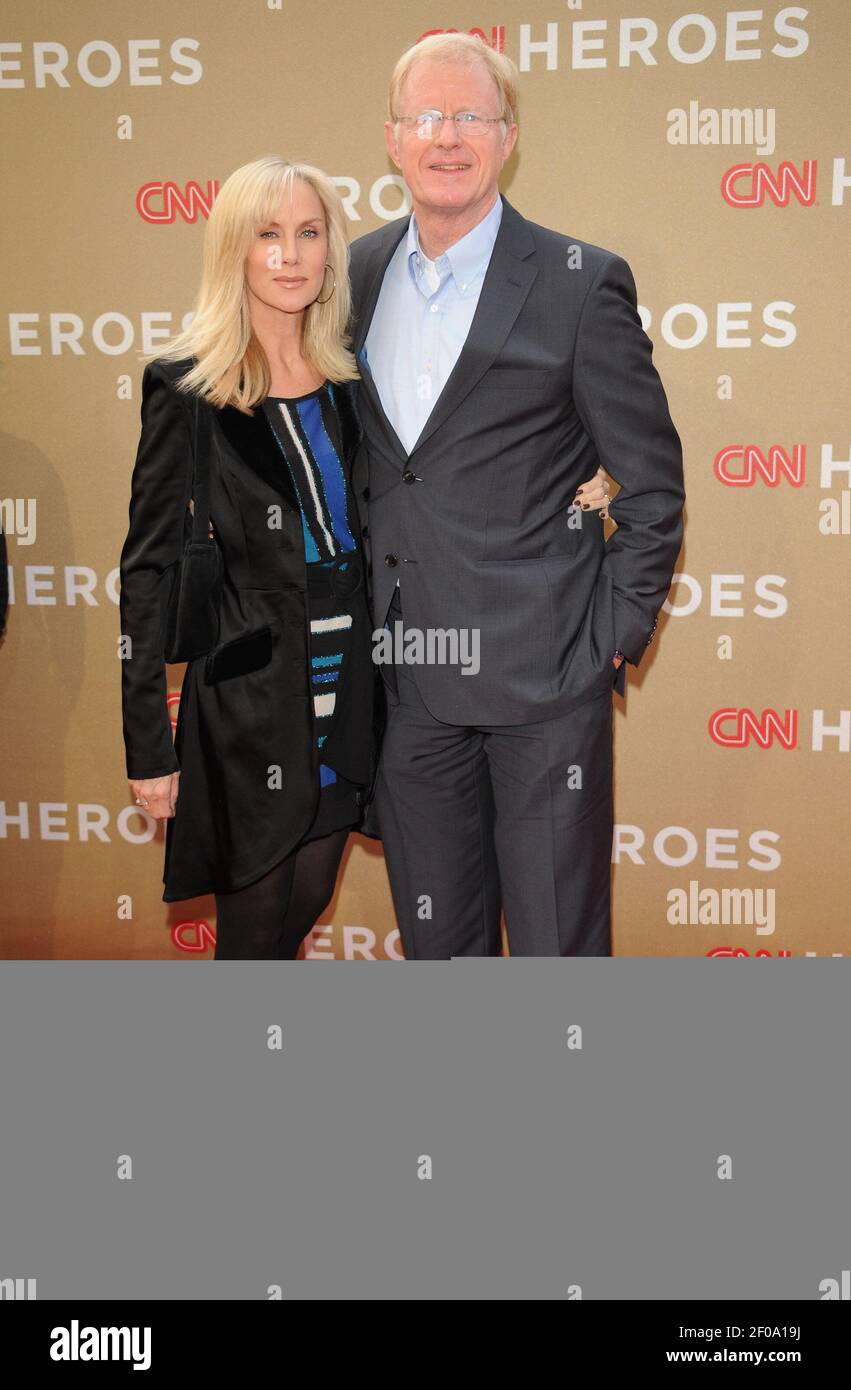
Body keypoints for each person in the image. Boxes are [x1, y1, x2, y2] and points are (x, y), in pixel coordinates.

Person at [348, 33, 686, 958]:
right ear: (392, 137)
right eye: (427, 116)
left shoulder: (580, 283)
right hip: (407, 684)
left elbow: (653, 490)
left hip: (544, 689)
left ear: (507, 138)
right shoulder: (352, 276)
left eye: (470, 116)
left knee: (554, 954)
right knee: (439, 951)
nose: (446, 136)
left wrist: (602, 647)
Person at [119, 157, 379, 959]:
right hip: (249, 711)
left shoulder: (351, 380)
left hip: (352, 693)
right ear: (233, 249)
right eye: (268, 235)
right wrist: (148, 749)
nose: (290, 254)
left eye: (308, 233)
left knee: (303, 908)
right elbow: (146, 572)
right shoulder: (187, 388)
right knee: (254, 939)